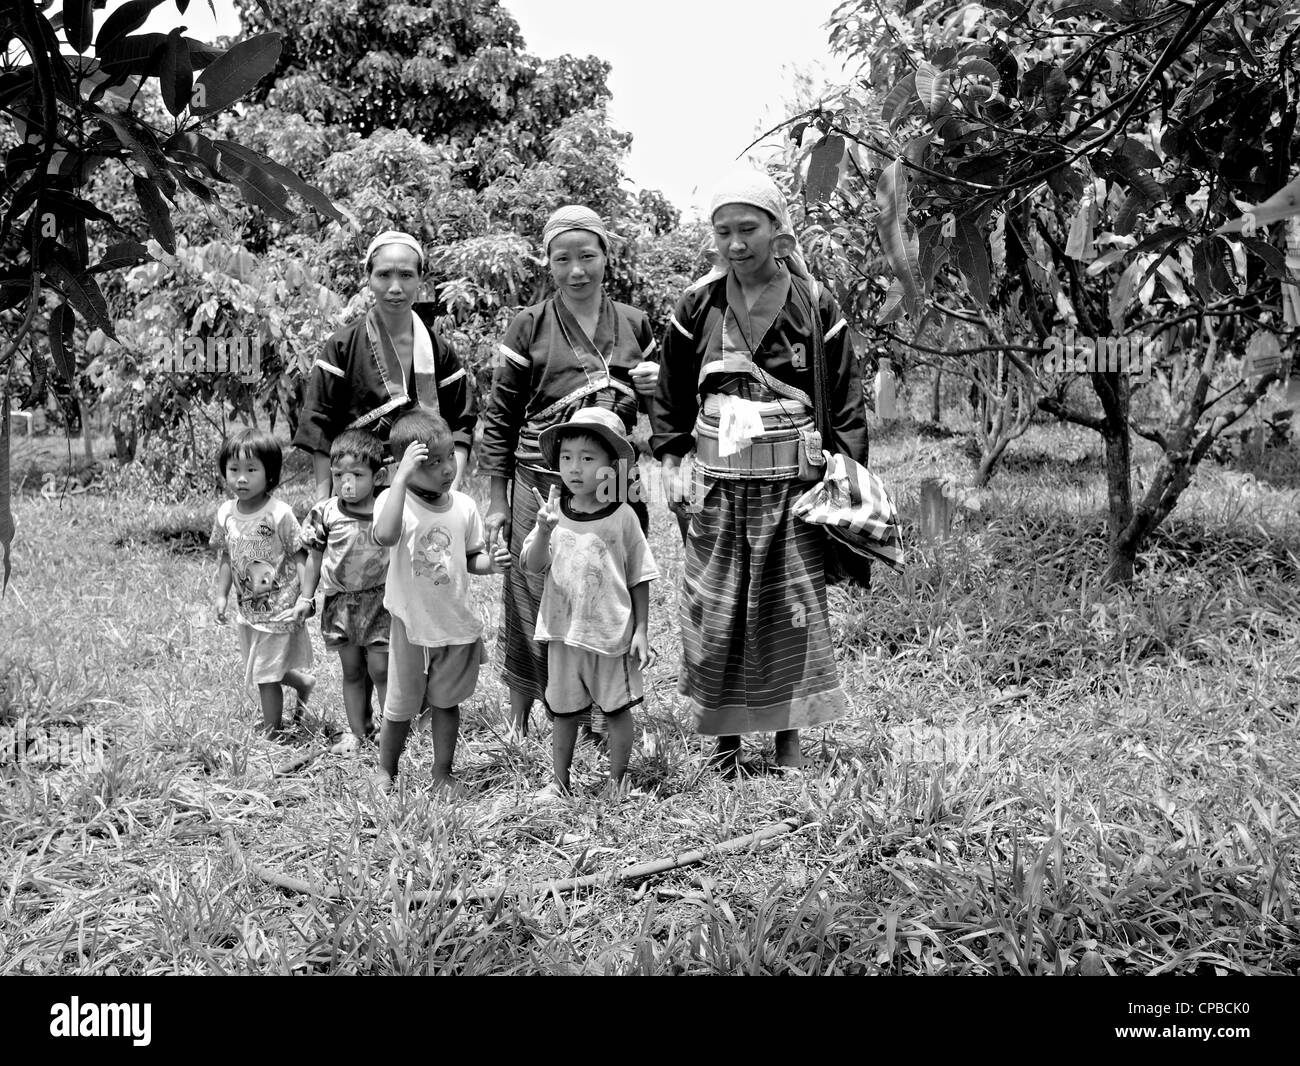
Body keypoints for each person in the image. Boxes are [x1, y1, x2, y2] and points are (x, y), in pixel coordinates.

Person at [649, 170, 867, 776]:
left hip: (790, 487)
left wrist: (844, 470)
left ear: (779, 234)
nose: (735, 244)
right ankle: (724, 746)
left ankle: (788, 746)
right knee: (716, 607)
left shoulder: (814, 303)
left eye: (749, 229)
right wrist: (671, 462)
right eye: (723, 232)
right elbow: (669, 390)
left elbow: (846, 393)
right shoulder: (697, 305)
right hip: (718, 487)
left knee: (789, 607)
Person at [480, 205, 660, 738]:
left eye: (587, 256)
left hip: (614, 485)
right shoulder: (528, 325)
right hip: (541, 479)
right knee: (530, 589)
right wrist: (496, 498)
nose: (577, 270)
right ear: (548, 263)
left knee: (608, 588)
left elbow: (661, 410)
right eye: (563, 259)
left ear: (607, 257)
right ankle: (522, 714)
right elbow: (500, 417)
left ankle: (605, 710)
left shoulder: (634, 323)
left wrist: (656, 389)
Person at [520, 408, 659, 798]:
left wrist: (642, 631)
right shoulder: (553, 515)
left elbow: (640, 576)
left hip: (611, 635)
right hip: (564, 634)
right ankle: (559, 782)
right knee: (563, 712)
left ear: (612, 467)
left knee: (616, 711)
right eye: (567, 458)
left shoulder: (623, 518)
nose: (574, 468)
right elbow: (532, 566)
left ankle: (617, 781)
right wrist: (544, 527)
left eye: (587, 458)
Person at [371, 411, 511, 790]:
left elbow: (470, 559)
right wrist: (399, 479)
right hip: (411, 625)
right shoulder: (393, 499)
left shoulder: (463, 506)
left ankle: (442, 773)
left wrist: (492, 564)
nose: (446, 468)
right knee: (399, 707)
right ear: (405, 465)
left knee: (447, 704)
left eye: (449, 456)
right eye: (431, 463)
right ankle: (387, 769)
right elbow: (384, 536)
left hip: (453, 623)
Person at [293, 230, 477, 503]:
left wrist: (453, 494)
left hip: (426, 491)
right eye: (383, 275)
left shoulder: (438, 351)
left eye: (405, 275)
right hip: (360, 494)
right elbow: (320, 428)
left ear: (420, 279)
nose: (395, 287)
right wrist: (323, 504)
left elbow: (460, 425)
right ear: (368, 279)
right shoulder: (342, 346)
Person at [211, 428, 316, 735]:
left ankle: (272, 732)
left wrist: (304, 598)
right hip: (248, 611)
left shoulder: (279, 513)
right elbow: (227, 558)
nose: (241, 478)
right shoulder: (226, 514)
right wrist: (221, 595)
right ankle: (303, 682)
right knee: (263, 666)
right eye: (233, 470)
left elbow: (300, 555)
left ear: (269, 474)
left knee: (265, 677)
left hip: (278, 608)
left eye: (251, 470)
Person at [300, 430, 391, 754]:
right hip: (340, 606)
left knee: (381, 669)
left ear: (377, 476)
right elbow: (313, 556)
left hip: (382, 603)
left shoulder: (386, 509)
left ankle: (391, 730)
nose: (347, 483)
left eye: (357, 475)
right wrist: (306, 597)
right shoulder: (326, 512)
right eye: (339, 475)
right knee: (352, 670)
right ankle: (358, 731)